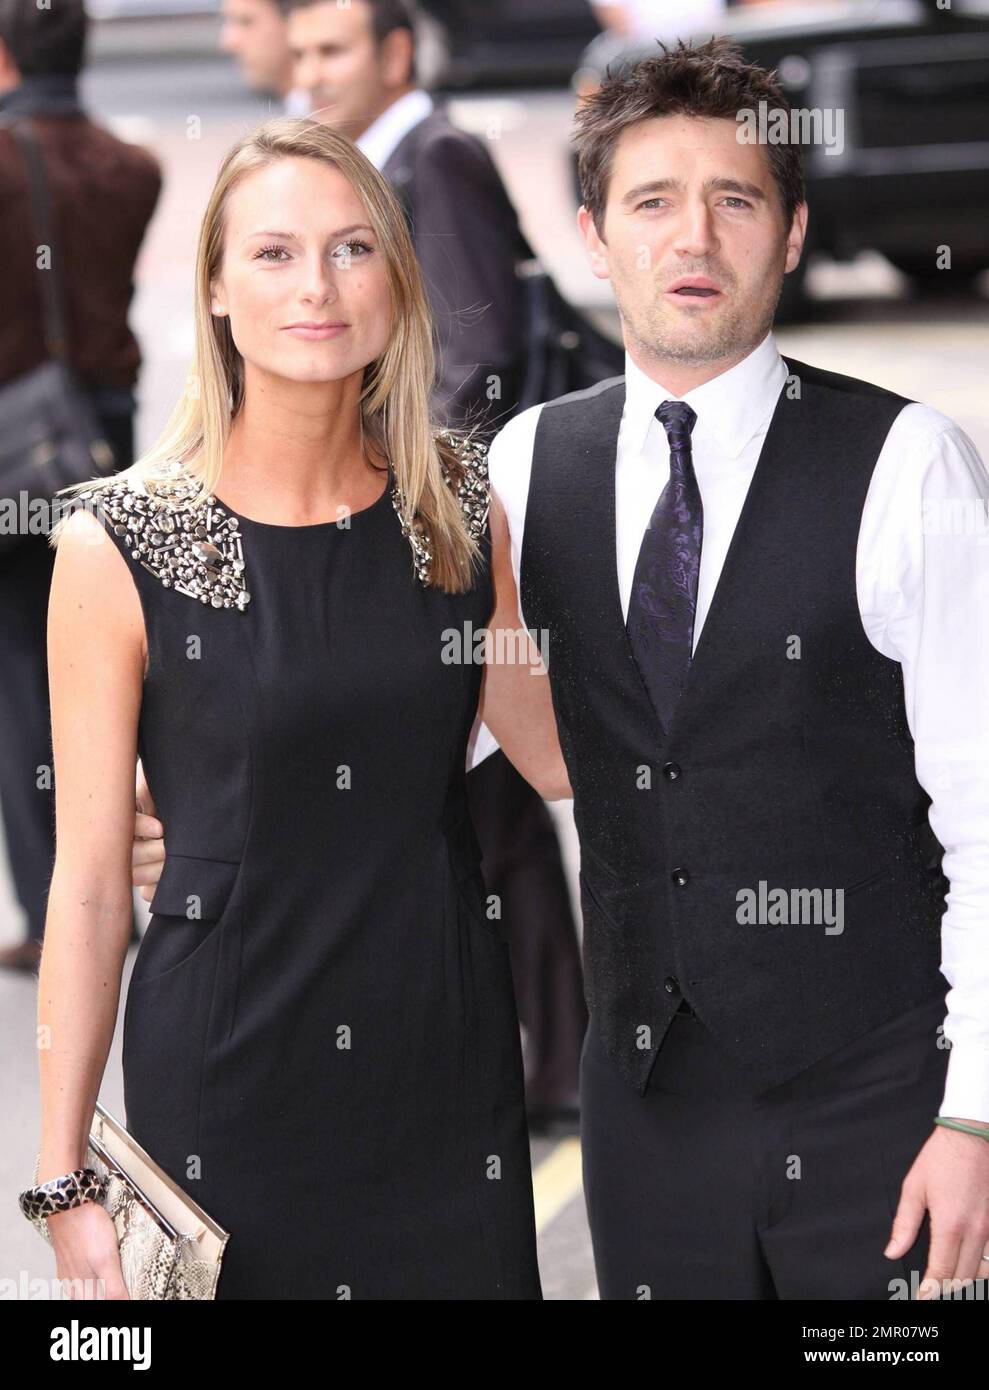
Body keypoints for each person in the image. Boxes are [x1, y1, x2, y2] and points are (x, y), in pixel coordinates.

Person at [29, 115, 569, 1299]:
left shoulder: (462, 508)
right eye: (271, 253)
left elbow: (560, 760)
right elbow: (81, 885)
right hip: (230, 1084)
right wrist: (65, 1185)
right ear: (214, 287)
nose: (315, 286)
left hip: (445, 1064)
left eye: (351, 248)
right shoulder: (114, 541)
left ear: (396, 278)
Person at [484, 38, 988, 1298]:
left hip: (879, 1097)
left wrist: (974, 1116)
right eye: (651, 202)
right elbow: (447, 733)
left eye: (735, 199)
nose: (692, 238)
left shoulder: (908, 463)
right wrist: (197, 815)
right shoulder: (526, 460)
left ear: (793, 230)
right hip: (644, 1106)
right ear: (594, 236)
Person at [0, 0, 161, 973]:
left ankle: (54, 899)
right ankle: (123, 876)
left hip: (11, 442)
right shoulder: (129, 165)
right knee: (110, 661)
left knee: (22, 665)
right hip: (105, 433)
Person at [219, 0, 311, 115]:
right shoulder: (304, 113)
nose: (229, 43)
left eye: (246, 22)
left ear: (296, 20)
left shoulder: (324, 121)